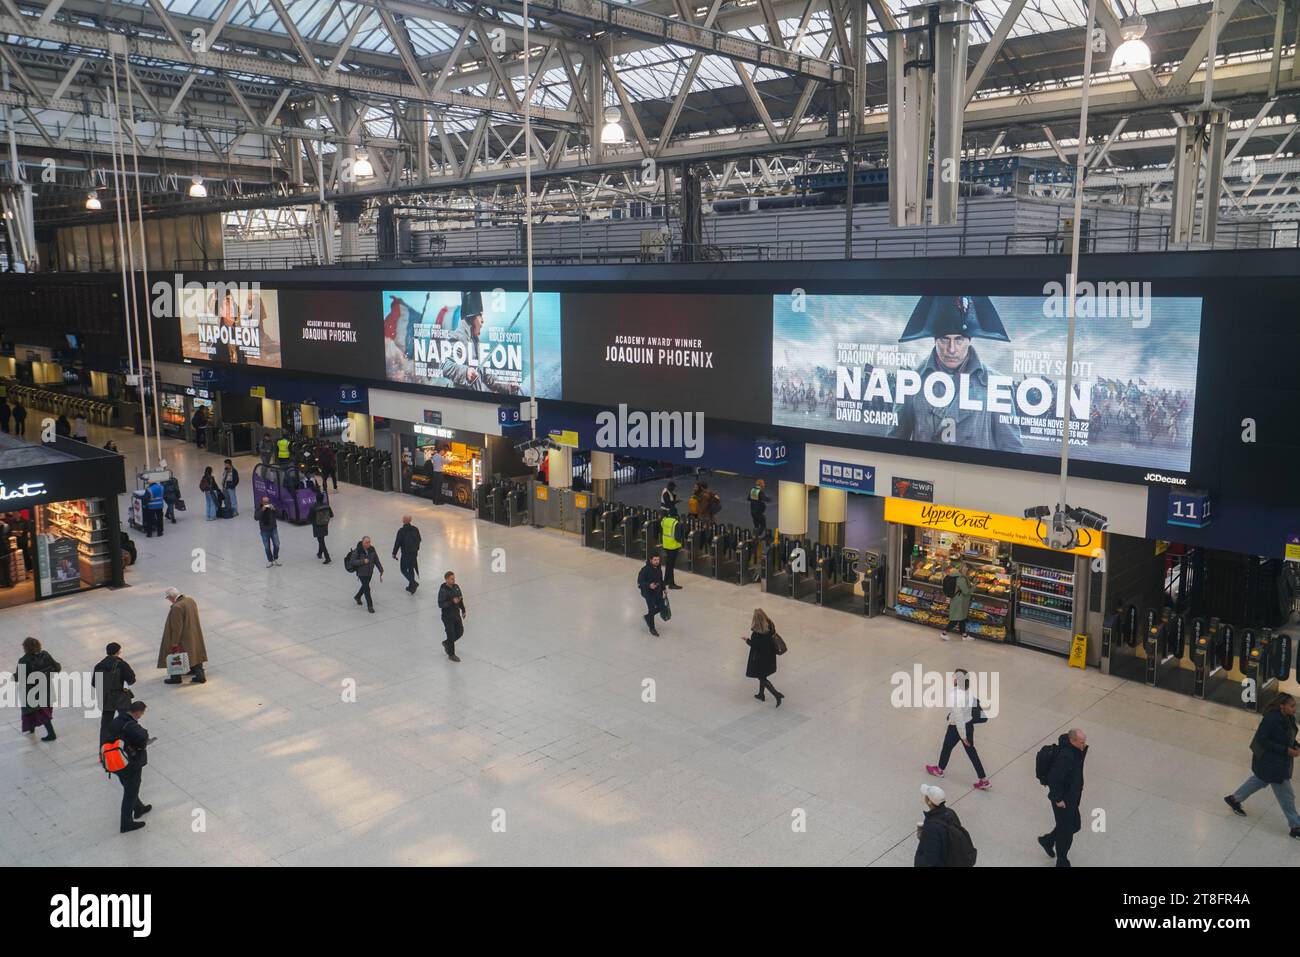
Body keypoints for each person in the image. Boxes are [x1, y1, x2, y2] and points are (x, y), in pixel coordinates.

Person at [890, 296, 1024, 453]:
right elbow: (895, 442)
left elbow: (1012, 448)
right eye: (944, 339)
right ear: (935, 340)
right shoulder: (911, 382)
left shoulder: (996, 383)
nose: (952, 349)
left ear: (969, 340)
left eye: (959, 339)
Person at [1224, 693, 1300, 839]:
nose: (1295, 709)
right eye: (1292, 706)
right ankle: (1296, 826)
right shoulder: (1271, 719)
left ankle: (1234, 799)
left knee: (1259, 780)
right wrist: (1286, 750)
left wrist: (1295, 745)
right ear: (1282, 705)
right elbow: (1262, 740)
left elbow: (1288, 736)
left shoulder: (1288, 717)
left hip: (1275, 762)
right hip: (1272, 762)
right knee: (1286, 795)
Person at [925, 668, 991, 790]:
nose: (952, 678)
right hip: (968, 725)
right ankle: (984, 779)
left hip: (957, 727)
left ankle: (939, 770)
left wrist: (963, 736)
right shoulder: (968, 692)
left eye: (954, 676)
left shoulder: (955, 696)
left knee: (947, 747)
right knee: (971, 752)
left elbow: (958, 717)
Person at [1038, 728, 1088, 867]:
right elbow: (1054, 779)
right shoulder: (1066, 757)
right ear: (1072, 741)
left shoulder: (1075, 750)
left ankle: (1048, 840)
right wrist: (1058, 799)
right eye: (1081, 742)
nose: (1084, 745)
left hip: (1071, 797)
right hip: (1063, 800)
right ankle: (1062, 860)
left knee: (1074, 826)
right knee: (1066, 830)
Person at [106, 701, 152, 833]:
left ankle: (139, 808)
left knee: (128, 786)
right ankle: (126, 823)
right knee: (130, 792)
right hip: (130, 763)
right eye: (142, 713)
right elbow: (143, 737)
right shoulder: (131, 725)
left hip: (115, 762)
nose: (142, 715)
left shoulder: (116, 721)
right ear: (137, 712)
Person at [915, 784, 974, 867]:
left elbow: (929, 859)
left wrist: (924, 836)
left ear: (929, 802)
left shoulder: (932, 827)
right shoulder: (950, 812)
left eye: (926, 796)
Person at [159, 587, 208, 684]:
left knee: (175, 656)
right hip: (194, 634)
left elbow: (177, 628)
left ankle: (175, 678)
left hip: (183, 638)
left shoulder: (177, 607)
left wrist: (174, 643)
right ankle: (200, 675)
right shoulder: (190, 600)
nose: (168, 600)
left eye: (168, 598)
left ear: (171, 597)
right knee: (196, 653)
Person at [15, 636, 60, 741]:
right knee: (44, 710)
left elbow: (19, 677)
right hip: (47, 688)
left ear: (26, 648)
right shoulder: (45, 655)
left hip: (32, 692)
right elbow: (57, 667)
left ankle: (51, 734)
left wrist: (12, 677)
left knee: (41, 713)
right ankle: (31, 728)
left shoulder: (24, 661)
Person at [92, 642, 137, 744]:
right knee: (127, 720)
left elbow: (94, 683)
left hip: (106, 698)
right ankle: (131, 745)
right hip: (122, 697)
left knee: (105, 724)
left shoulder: (99, 666)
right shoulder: (122, 664)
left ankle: (103, 751)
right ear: (118, 651)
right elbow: (132, 680)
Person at [743, 608, 784, 705]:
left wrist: (747, 640)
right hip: (770, 655)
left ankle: (776, 694)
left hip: (760, 658)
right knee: (763, 674)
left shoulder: (757, 632)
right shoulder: (770, 624)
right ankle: (761, 694)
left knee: (761, 677)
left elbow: (755, 645)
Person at [437, 571, 467, 661]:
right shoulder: (443, 590)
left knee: (460, 632)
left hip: (456, 615)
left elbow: (460, 599)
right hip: (447, 617)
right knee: (451, 635)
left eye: (454, 578)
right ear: (446, 579)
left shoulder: (456, 587)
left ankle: (447, 643)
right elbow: (440, 604)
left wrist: (463, 610)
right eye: (451, 579)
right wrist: (451, 602)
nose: (454, 580)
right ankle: (451, 655)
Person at [348, 536, 383, 613]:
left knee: (364, 586)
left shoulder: (372, 549)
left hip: (370, 572)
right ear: (363, 543)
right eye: (366, 542)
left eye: (369, 542)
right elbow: (352, 561)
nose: (368, 544)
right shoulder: (358, 550)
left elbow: (376, 560)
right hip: (362, 573)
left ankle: (357, 597)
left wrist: (380, 569)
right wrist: (363, 561)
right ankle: (370, 606)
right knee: (367, 588)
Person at [941, 562, 973, 641]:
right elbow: (965, 591)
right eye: (969, 571)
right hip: (959, 601)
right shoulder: (960, 578)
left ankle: (964, 635)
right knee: (955, 619)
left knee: (962, 618)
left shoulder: (954, 574)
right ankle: (944, 633)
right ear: (965, 569)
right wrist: (974, 587)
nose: (969, 573)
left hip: (957, 600)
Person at [637, 553, 666, 637]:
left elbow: (661, 579)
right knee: (652, 609)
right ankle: (652, 628)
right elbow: (640, 582)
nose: (657, 561)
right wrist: (649, 585)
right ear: (650, 560)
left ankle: (648, 617)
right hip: (648, 593)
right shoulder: (645, 570)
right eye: (655, 560)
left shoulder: (659, 568)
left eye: (658, 559)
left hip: (658, 591)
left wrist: (664, 588)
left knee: (662, 607)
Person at [392, 515, 422, 594]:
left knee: (403, 569)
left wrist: (394, 553)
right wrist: (416, 549)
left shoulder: (401, 531)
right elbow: (419, 540)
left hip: (406, 554)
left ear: (404, 521)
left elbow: (397, 543)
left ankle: (413, 583)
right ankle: (411, 587)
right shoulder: (415, 529)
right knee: (411, 568)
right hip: (414, 554)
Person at [659, 513, 683, 591]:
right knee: (671, 565)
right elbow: (677, 536)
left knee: (668, 564)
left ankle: (666, 581)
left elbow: (661, 529)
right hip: (673, 546)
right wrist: (681, 543)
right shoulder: (675, 523)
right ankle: (671, 584)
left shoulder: (664, 520)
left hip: (666, 544)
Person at [309, 492, 333, 564]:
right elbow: (331, 515)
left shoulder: (313, 507)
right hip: (325, 525)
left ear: (316, 499)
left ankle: (327, 557)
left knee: (321, 541)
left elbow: (309, 517)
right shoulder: (327, 506)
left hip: (317, 526)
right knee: (321, 539)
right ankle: (319, 553)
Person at [257, 496, 281, 567]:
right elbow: (256, 517)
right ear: (262, 502)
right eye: (265, 502)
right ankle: (270, 560)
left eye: (267, 502)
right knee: (267, 547)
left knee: (277, 545)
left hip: (273, 529)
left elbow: (279, 515)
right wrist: (262, 510)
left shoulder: (271, 508)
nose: (266, 503)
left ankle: (275, 558)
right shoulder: (259, 509)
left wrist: (274, 509)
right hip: (264, 531)